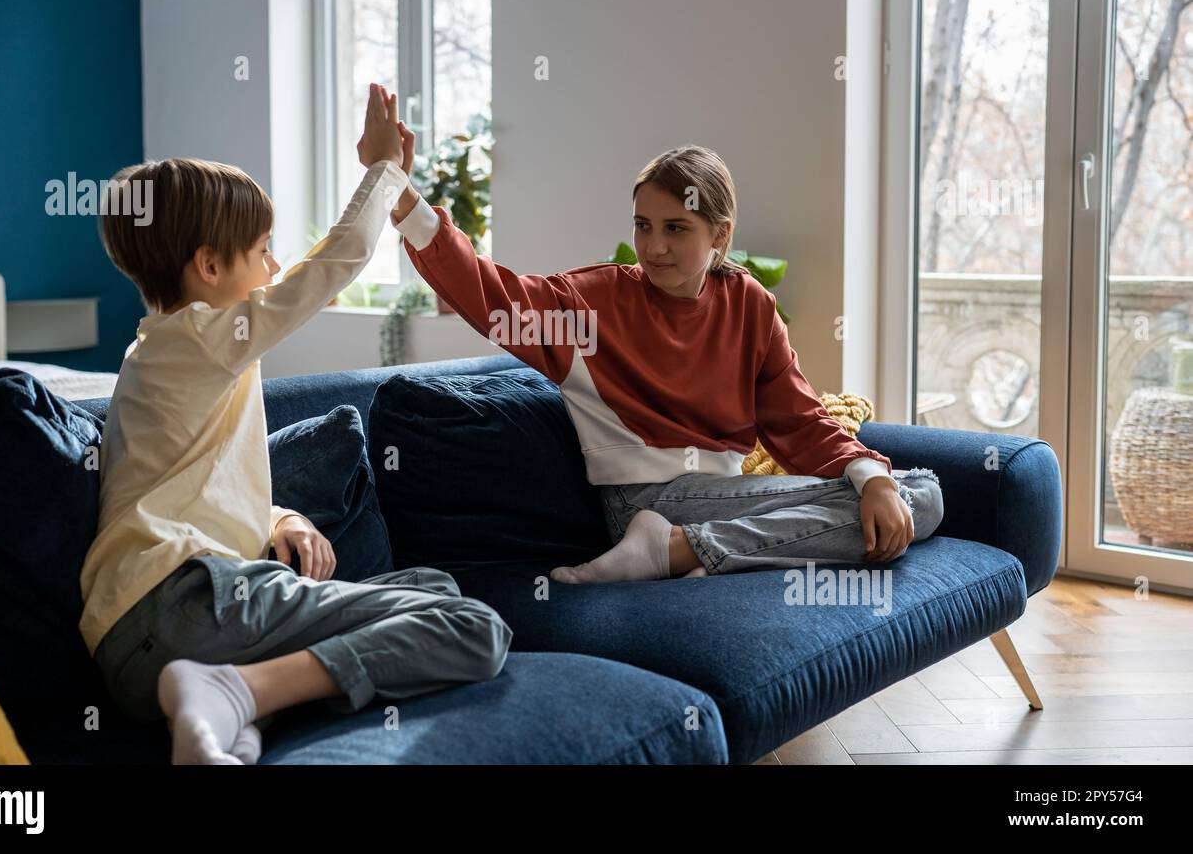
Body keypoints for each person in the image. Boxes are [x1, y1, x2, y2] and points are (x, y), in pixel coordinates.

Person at [82, 84, 512, 764]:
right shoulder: (204, 335)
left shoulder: (157, 355)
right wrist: (384, 171)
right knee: (473, 626)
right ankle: (239, 692)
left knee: (430, 590)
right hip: (185, 601)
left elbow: (187, 485)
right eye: (263, 250)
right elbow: (334, 263)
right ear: (209, 266)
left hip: (133, 648)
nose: (276, 266)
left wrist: (278, 517)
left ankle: (232, 713)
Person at [386, 144, 943, 584]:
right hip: (644, 500)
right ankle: (664, 545)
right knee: (902, 500)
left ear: (720, 234)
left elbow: (799, 422)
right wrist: (401, 193)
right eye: (643, 225)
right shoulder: (592, 304)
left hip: (721, 499)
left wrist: (869, 475)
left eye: (676, 228)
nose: (653, 247)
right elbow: (490, 294)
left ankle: (681, 552)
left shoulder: (750, 305)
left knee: (918, 494)